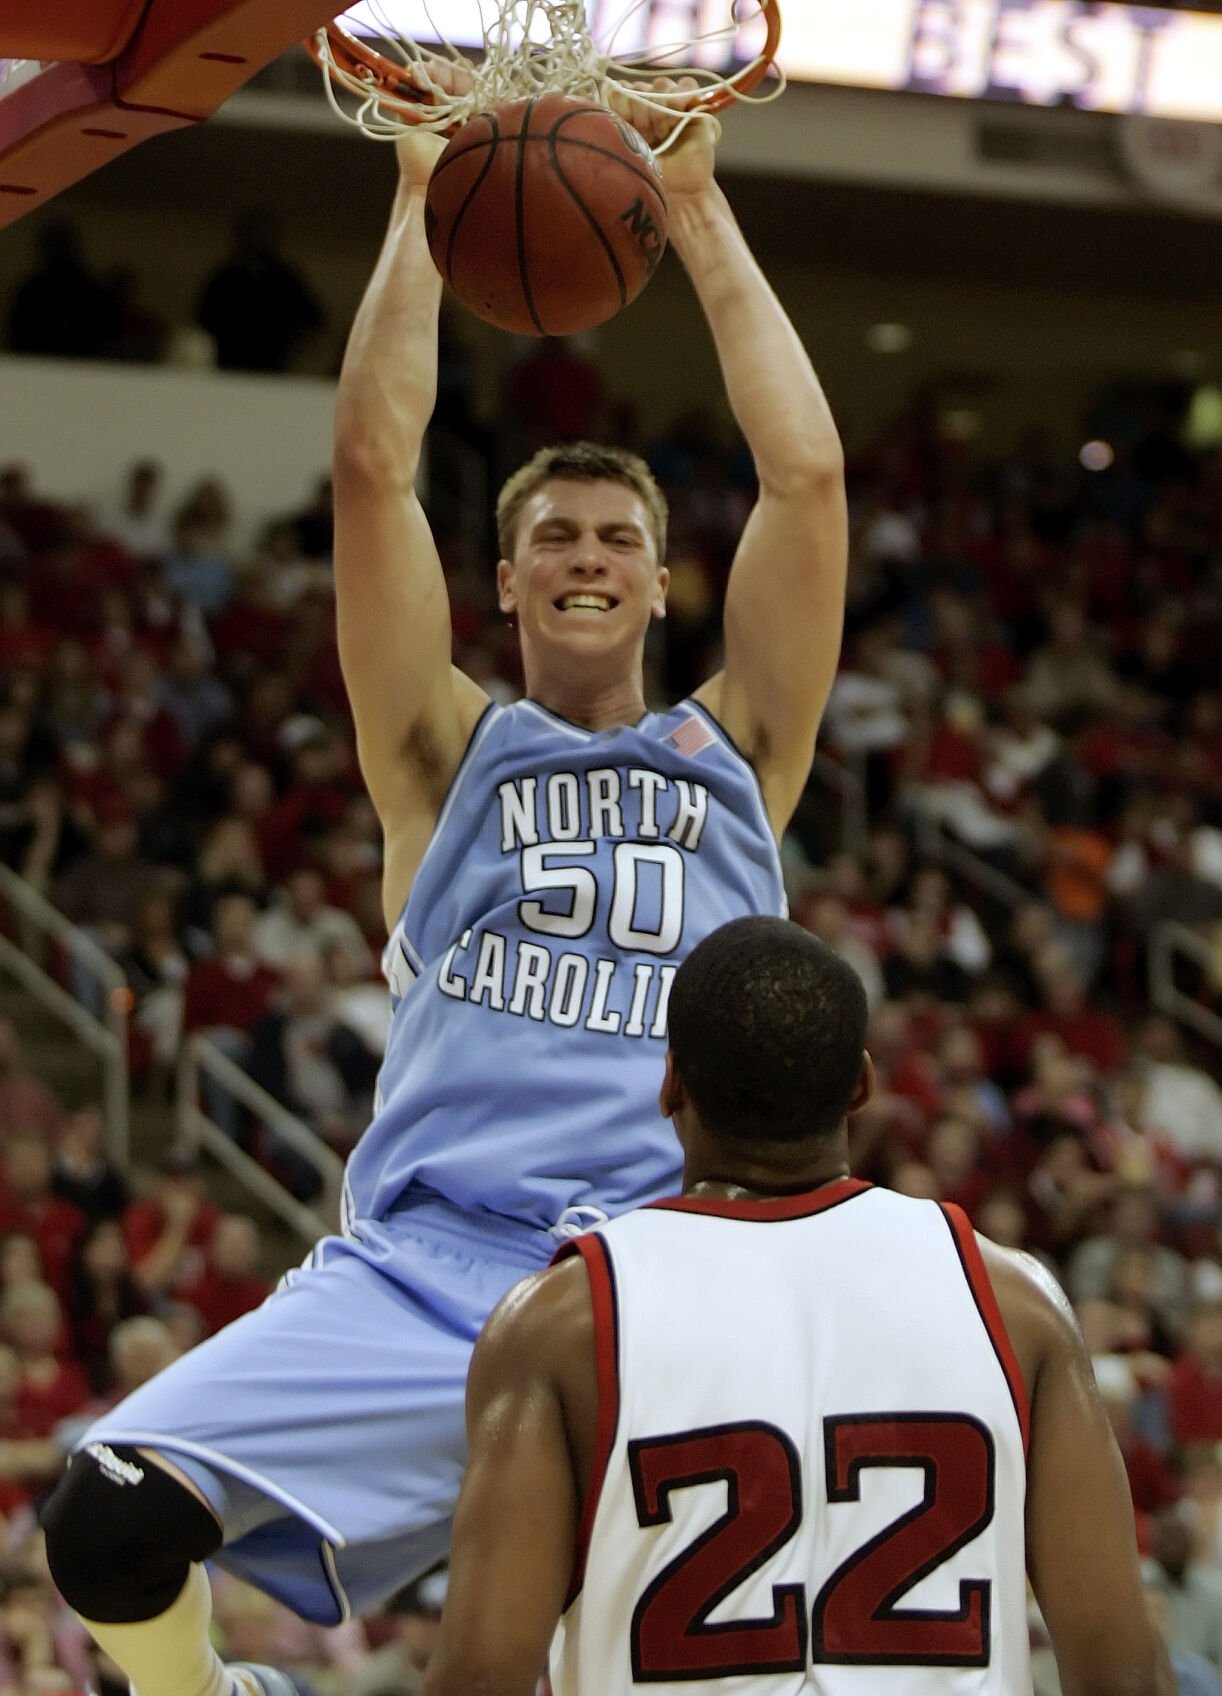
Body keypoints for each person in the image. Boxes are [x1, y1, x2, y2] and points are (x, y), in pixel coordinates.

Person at [42, 72, 848, 1696]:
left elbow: (809, 482)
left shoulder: (740, 747)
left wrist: (690, 208)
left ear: (661, 575)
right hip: (426, 1268)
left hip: (665, 1282)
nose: (586, 555)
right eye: (551, 535)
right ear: (503, 577)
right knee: (105, 1517)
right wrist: (418, 193)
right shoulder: (438, 749)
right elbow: (364, 462)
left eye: (617, 533)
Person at [425, 917, 1172, 1696]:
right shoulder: (1014, 1302)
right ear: (861, 1085)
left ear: (671, 1081)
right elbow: (1124, 1673)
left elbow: (481, 1675)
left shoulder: (563, 1321)